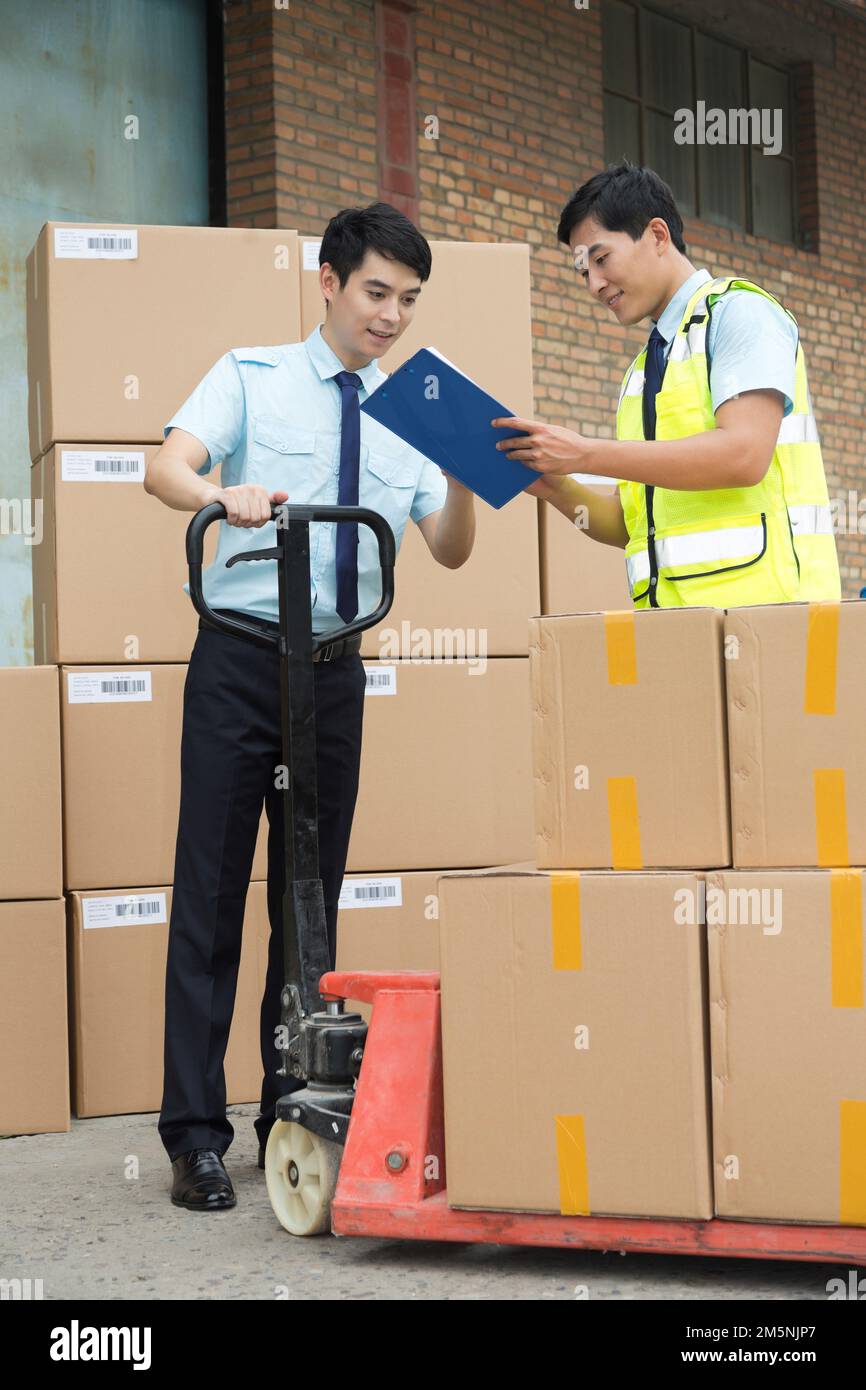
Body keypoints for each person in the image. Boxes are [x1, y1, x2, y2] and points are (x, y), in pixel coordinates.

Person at [144, 202, 476, 1211]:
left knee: (308, 899)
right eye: (375, 292)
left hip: (334, 669)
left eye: (407, 301)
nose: (389, 317)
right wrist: (217, 492)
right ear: (326, 282)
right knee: (208, 893)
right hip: (240, 659)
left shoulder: (411, 407)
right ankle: (194, 1136)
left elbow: (450, 548)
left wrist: (464, 470)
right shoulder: (250, 375)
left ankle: (287, 1101)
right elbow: (166, 464)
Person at [493, 161, 840, 608]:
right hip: (677, 635)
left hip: (775, 622)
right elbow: (629, 525)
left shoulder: (738, 312)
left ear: (658, 235)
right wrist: (556, 487)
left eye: (601, 259)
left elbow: (744, 455)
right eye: (583, 272)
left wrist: (586, 453)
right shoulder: (641, 372)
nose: (594, 285)